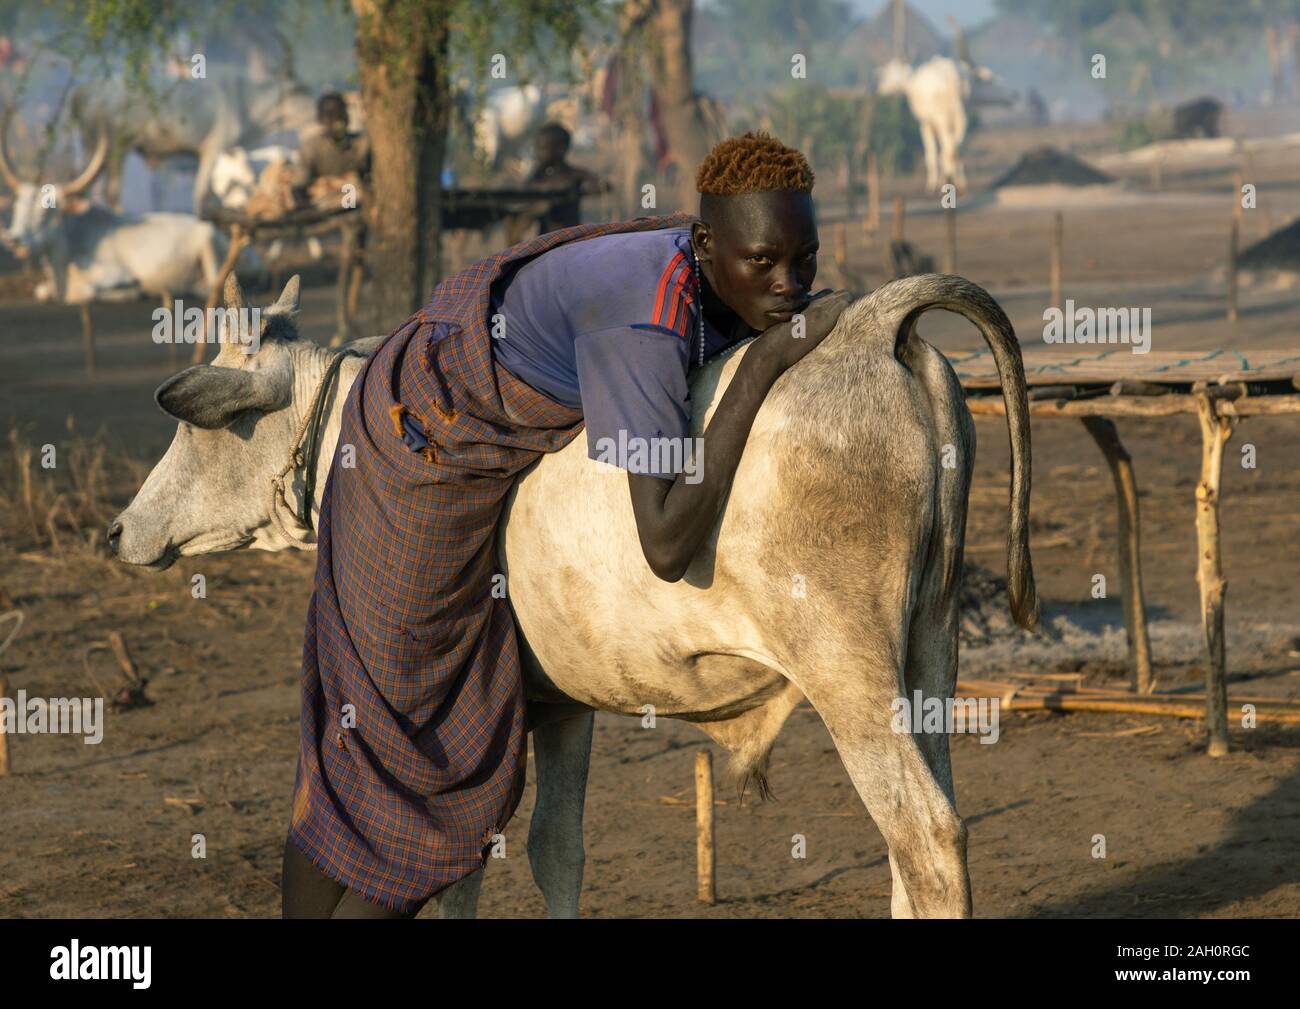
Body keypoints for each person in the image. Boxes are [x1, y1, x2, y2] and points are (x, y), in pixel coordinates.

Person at [280, 131, 851, 917]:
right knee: (408, 753)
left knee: (384, 746)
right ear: (707, 242)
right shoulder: (644, 324)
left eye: (805, 260)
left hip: (461, 409)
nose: (789, 284)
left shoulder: (712, 266)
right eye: (765, 262)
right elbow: (666, 544)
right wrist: (761, 365)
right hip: (418, 443)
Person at [519, 121, 608, 233]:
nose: (538, 154)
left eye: (543, 149)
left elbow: (603, 185)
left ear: (561, 149)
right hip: (546, 238)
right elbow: (525, 190)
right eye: (537, 148)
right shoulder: (540, 175)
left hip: (570, 235)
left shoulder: (573, 174)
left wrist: (578, 192)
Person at [290, 91, 371, 204]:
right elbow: (299, 188)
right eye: (330, 115)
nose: (336, 120)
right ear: (320, 119)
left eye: (340, 113)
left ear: (347, 116)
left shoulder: (361, 143)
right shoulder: (312, 148)